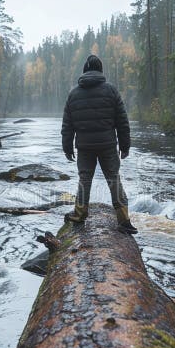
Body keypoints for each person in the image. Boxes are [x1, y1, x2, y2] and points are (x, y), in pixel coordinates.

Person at [61, 54, 137, 234]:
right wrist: (125, 146)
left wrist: (67, 148)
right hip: (108, 145)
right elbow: (122, 121)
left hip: (84, 147)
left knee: (84, 179)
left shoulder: (74, 94)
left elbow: (67, 125)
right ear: (100, 70)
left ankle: (79, 215)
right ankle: (124, 220)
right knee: (114, 179)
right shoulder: (111, 90)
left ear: (84, 71)